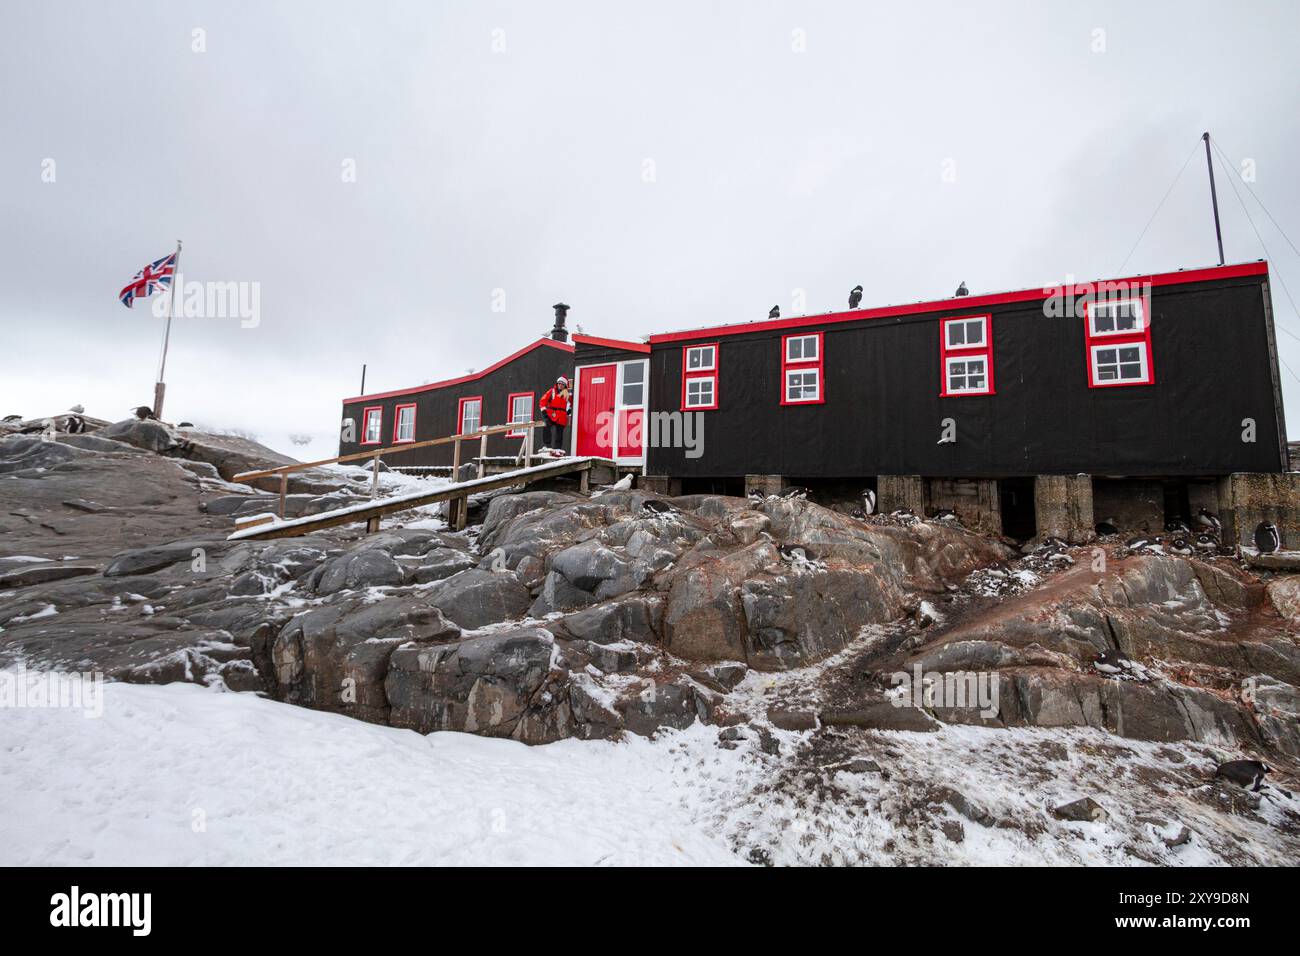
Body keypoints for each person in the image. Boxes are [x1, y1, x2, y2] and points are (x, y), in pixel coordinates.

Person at [538, 375, 571, 452]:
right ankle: (547, 446)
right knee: (546, 426)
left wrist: (569, 412)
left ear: (565, 385)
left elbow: (570, 404)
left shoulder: (567, 395)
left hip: (562, 416)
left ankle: (558, 449)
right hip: (551, 414)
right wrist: (544, 413)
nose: (560, 385)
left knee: (559, 434)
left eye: (562, 384)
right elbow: (542, 401)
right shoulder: (551, 391)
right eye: (559, 383)